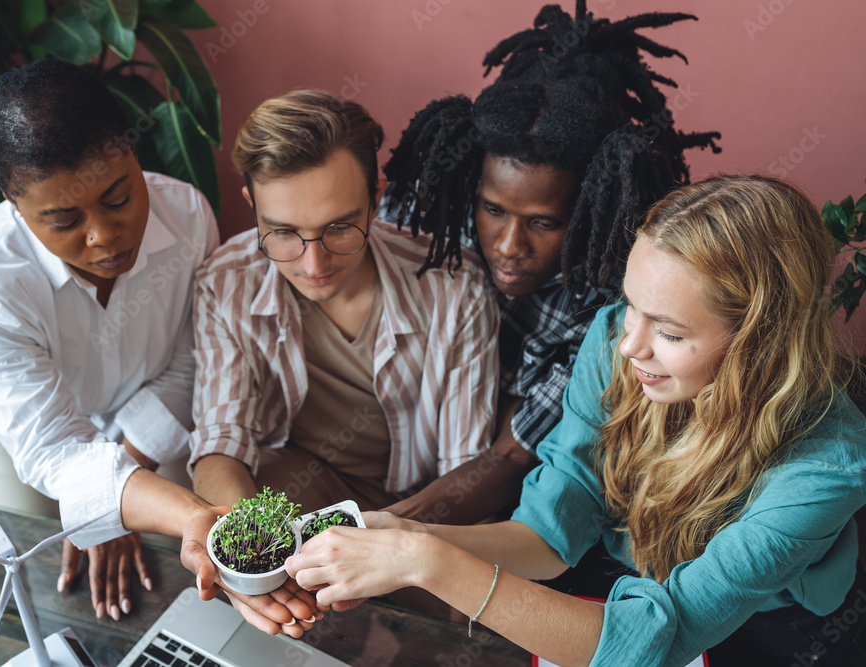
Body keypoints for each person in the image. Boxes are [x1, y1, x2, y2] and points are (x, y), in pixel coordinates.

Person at [287, 175, 866, 666]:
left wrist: (428, 562)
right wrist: (409, 534)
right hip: (633, 567)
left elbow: (662, 640)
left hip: (770, 624)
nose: (629, 345)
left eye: (668, 331)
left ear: (760, 342)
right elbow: (552, 531)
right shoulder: (617, 337)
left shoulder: (825, 468)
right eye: (632, 305)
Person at [380, 0, 722, 525]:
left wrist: (386, 531)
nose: (510, 245)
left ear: (590, 211)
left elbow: (509, 457)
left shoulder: (615, 308)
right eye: (494, 210)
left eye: (544, 222)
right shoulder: (422, 217)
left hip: (511, 510)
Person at [0, 59, 221, 622]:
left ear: (134, 155)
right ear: (12, 202)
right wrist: (104, 503)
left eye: (118, 198)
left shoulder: (189, 217)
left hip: (141, 400)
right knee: (29, 566)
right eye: (63, 220)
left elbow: (191, 358)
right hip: (3, 419)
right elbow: (53, 445)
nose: (104, 236)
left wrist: (116, 489)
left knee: (172, 556)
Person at [189, 89, 498, 518]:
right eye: (282, 232)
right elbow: (221, 440)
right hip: (296, 486)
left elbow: (464, 472)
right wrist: (256, 556)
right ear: (252, 208)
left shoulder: (453, 285)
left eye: (339, 227)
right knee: (221, 513)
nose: (313, 264)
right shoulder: (225, 282)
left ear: (375, 199)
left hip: (421, 508)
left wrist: (380, 545)